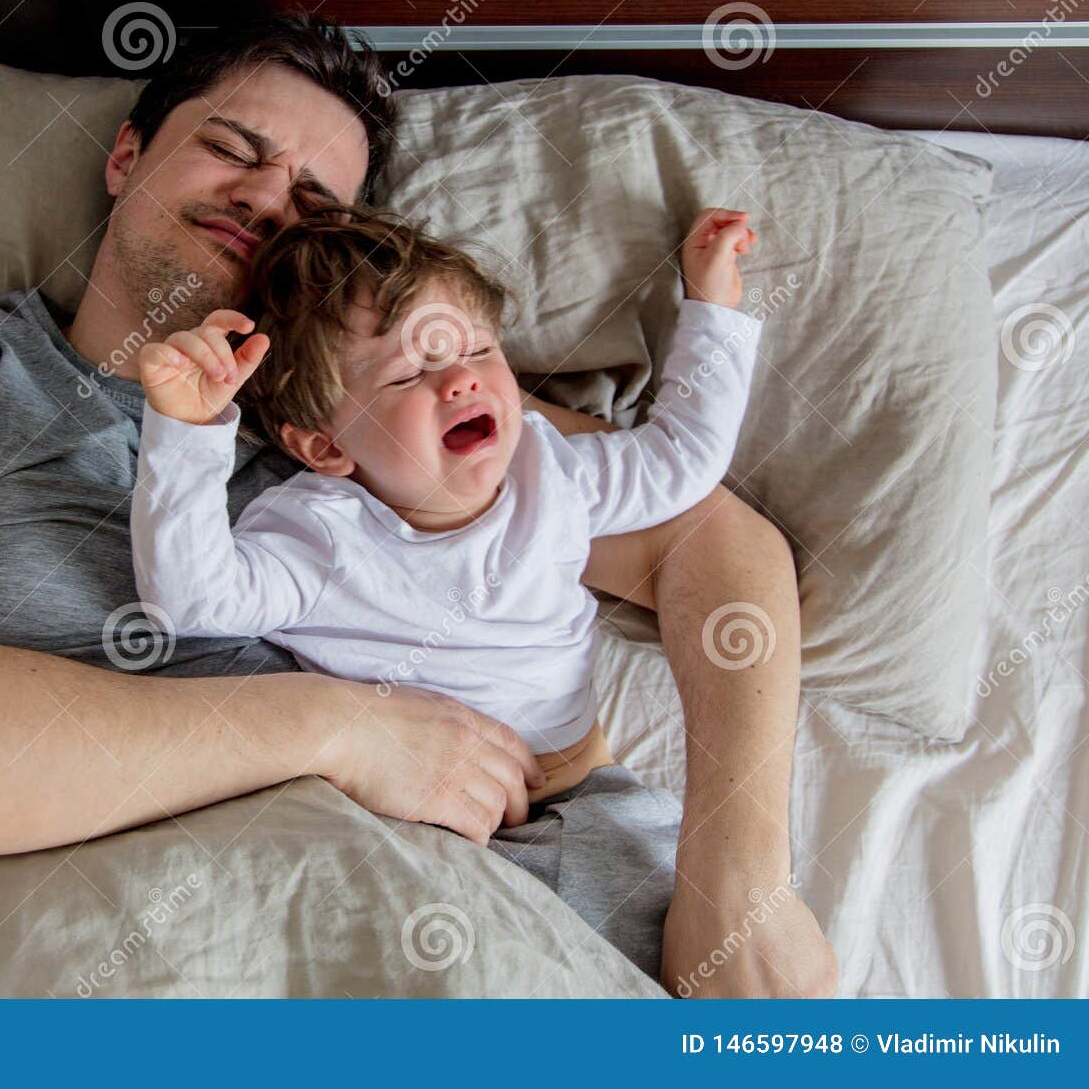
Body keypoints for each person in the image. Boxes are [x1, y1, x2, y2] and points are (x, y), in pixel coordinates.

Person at [0, 10, 837, 996]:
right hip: (92, 925)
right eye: (230, 152)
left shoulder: (378, 405)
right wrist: (339, 726)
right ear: (125, 155)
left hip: (442, 908)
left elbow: (710, 537)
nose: (263, 200)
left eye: (310, 200)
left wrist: (740, 874)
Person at [129, 203, 761, 979]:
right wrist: (188, 433)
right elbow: (191, 601)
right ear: (326, 445)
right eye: (408, 372)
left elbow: (681, 462)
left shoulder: (551, 472)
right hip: (414, 832)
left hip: (579, 797)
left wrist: (711, 307)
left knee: (706, 971)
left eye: (479, 348)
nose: (461, 376)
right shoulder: (321, 536)